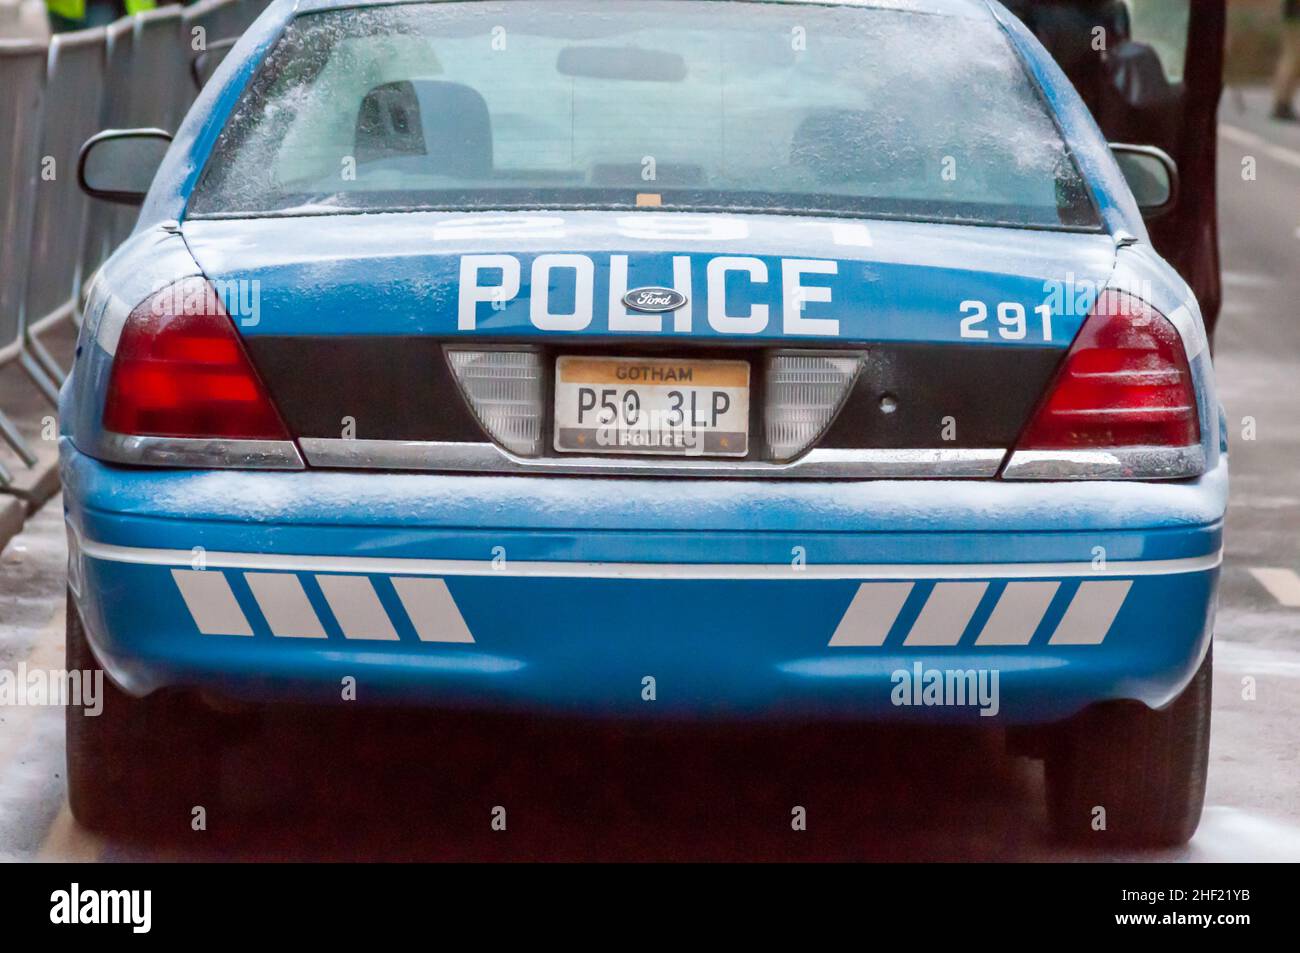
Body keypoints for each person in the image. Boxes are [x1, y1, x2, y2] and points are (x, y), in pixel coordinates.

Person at [1274, 0, 1300, 121]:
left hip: (1293, 13)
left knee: (1292, 58)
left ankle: (1283, 102)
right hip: (1296, 14)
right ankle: (1282, 102)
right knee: (1293, 58)